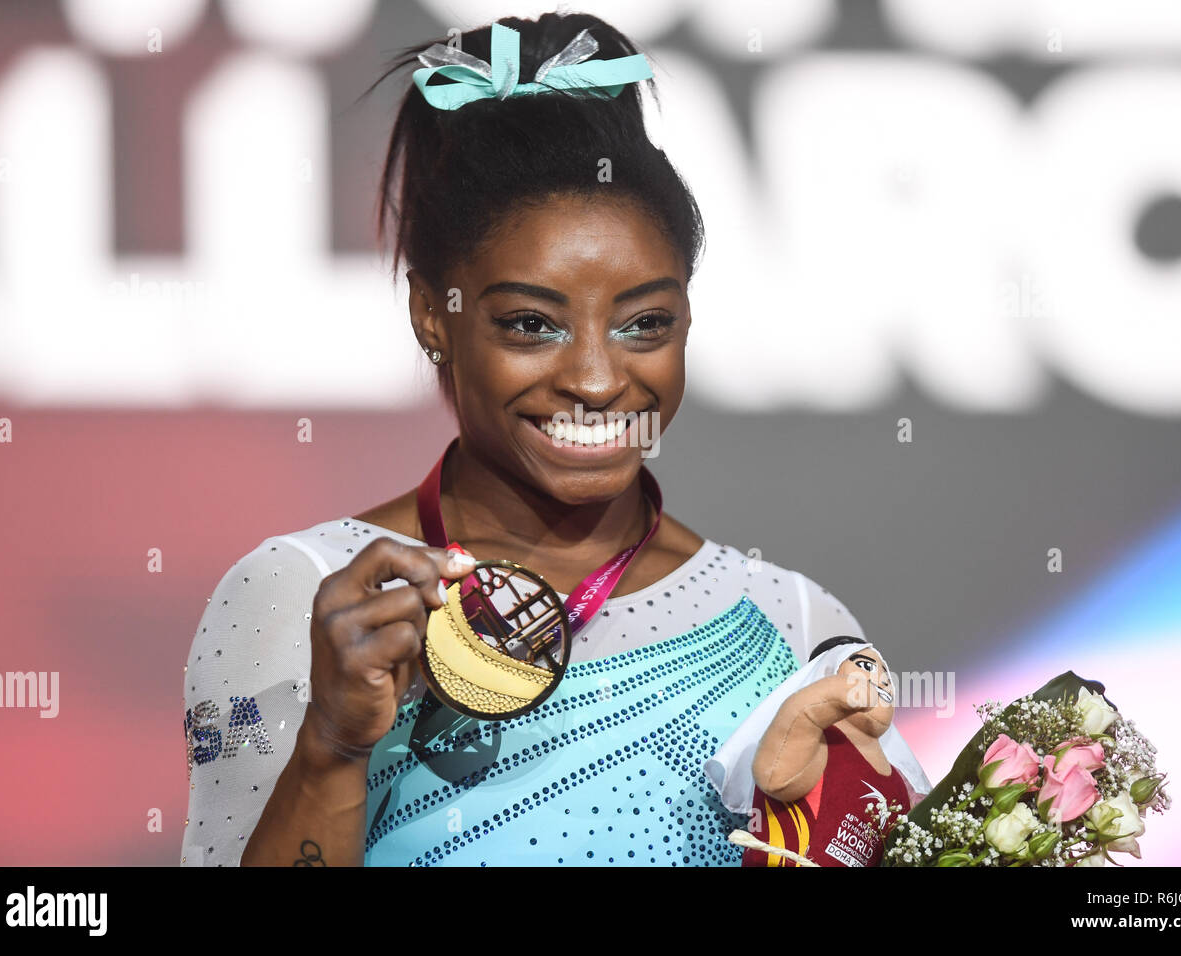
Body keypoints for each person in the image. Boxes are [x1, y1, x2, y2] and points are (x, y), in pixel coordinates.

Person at [181, 11, 866, 867]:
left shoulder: (791, 624)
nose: (595, 378)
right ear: (434, 314)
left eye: (645, 323)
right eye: (531, 325)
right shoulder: (307, 597)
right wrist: (331, 747)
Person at [704, 636, 933, 867]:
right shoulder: (816, 738)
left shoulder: (900, 787)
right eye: (865, 666)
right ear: (827, 674)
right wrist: (816, 705)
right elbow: (776, 777)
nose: (882, 681)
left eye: (886, 676)